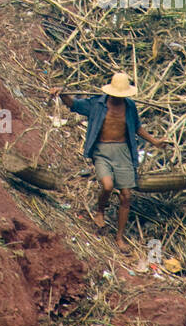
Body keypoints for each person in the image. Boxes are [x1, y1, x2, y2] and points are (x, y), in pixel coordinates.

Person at [51, 71, 168, 250]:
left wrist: (155, 142)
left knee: (126, 196)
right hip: (102, 150)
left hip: (123, 151)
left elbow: (137, 127)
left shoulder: (129, 106)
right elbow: (75, 105)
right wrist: (62, 94)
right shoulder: (97, 104)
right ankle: (100, 211)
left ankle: (119, 238)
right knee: (107, 185)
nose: (118, 98)